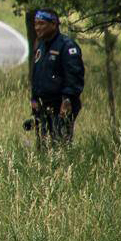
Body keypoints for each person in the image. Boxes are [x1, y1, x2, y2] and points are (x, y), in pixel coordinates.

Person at [26, 9, 85, 148]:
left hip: (61, 104)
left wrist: (67, 99)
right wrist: (34, 98)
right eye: (35, 24)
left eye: (41, 24)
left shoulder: (67, 46)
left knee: (59, 144)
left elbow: (74, 76)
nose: (37, 27)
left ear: (54, 24)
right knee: (43, 145)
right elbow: (38, 74)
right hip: (43, 105)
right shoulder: (41, 46)